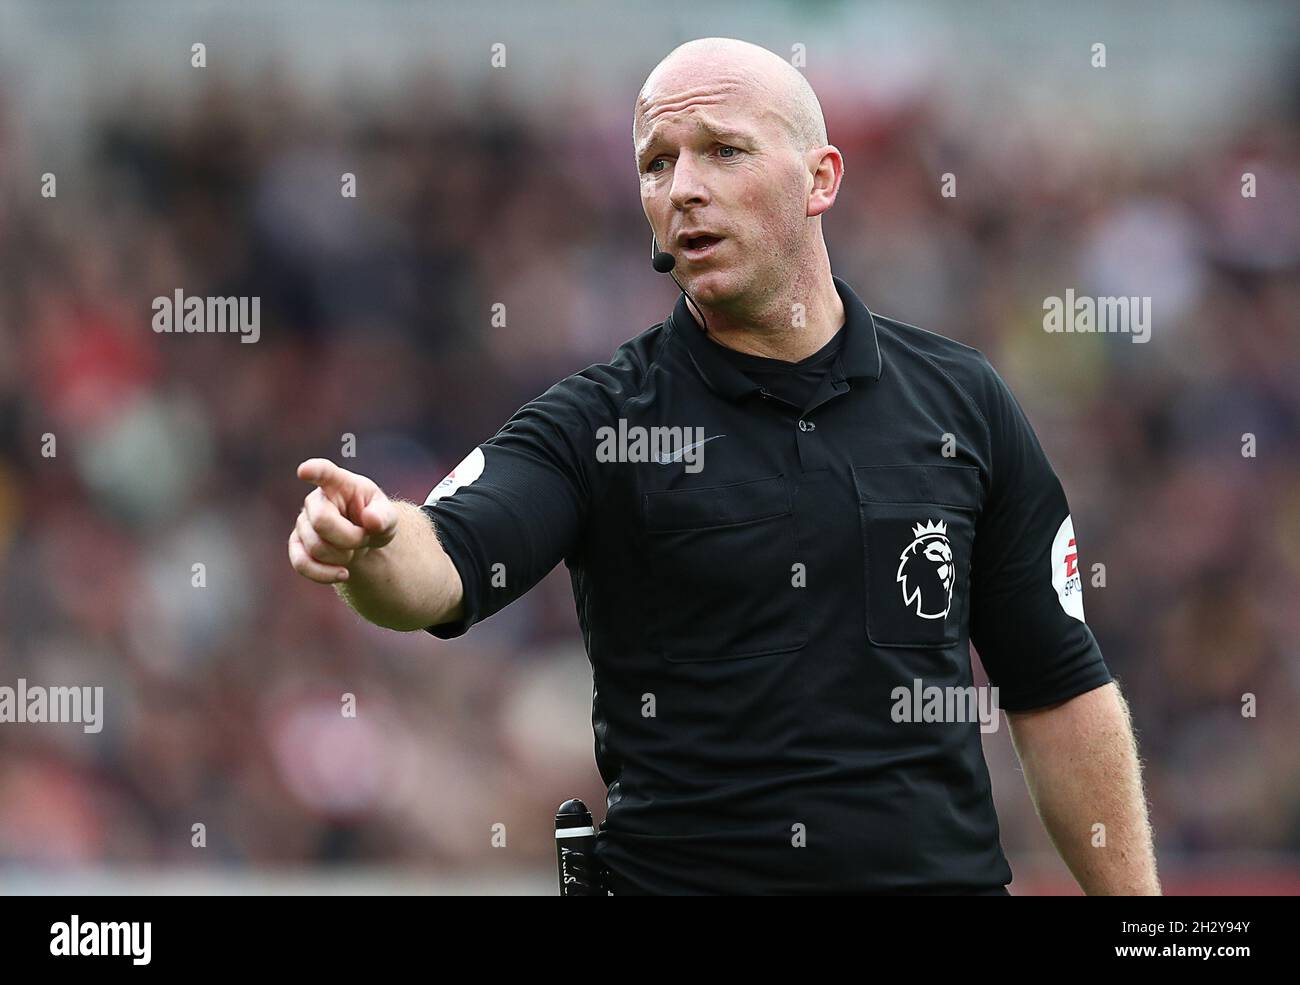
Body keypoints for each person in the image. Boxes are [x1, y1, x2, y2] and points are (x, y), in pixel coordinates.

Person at [289, 37, 1160, 895]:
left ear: (821, 178)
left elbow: (1060, 690)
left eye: (722, 150)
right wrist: (371, 542)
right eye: (657, 163)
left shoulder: (962, 403)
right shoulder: (602, 421)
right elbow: (439, 564)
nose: (685, 188)